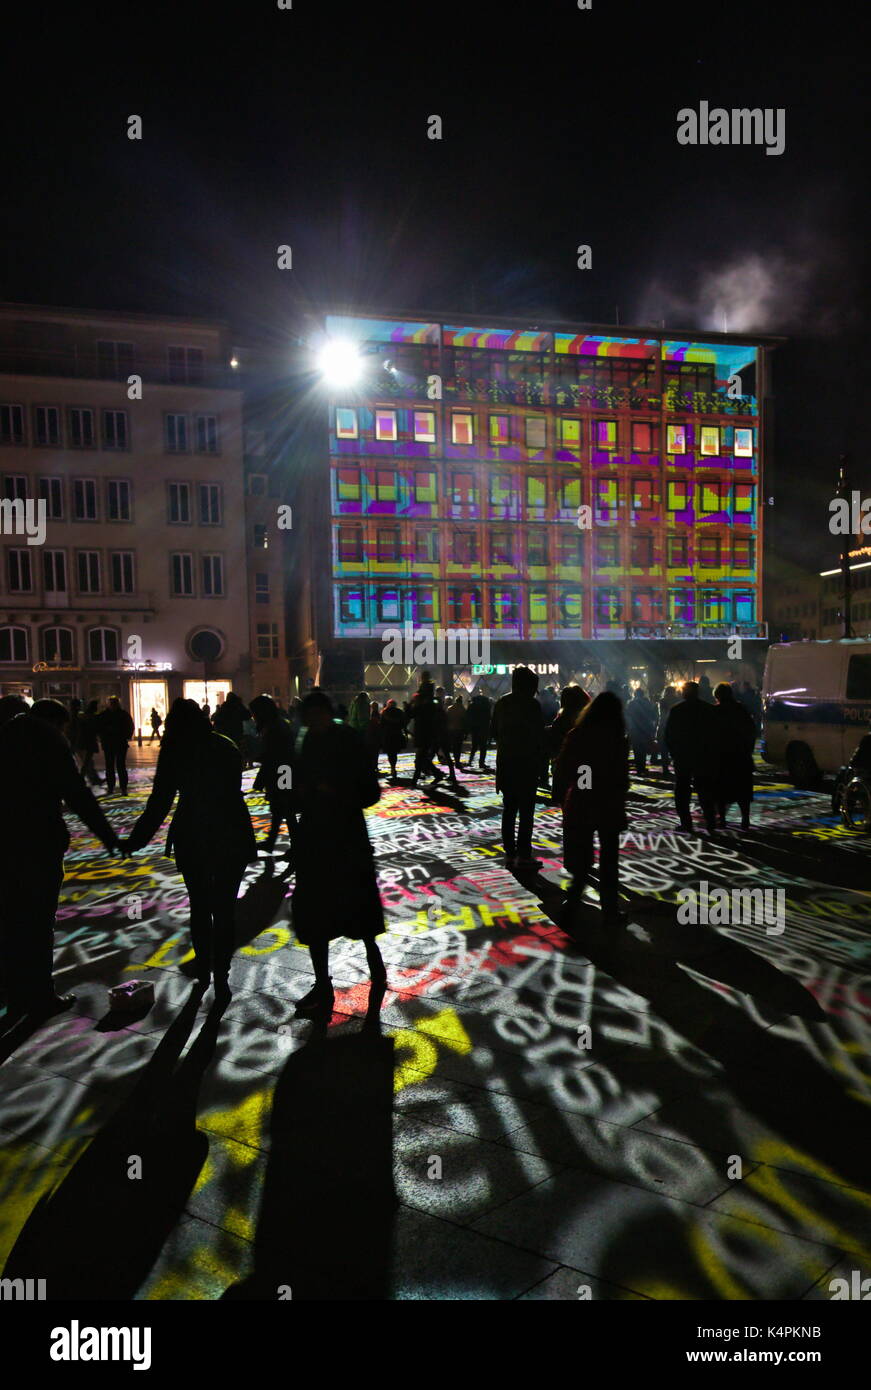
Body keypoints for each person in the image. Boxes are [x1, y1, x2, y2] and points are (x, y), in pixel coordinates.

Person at [123, 700, 256, 997]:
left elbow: (160, 803)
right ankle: (222, 974)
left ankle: (205, 970)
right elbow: (234, 788)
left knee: (199, 905)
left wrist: (136, 840)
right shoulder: (226, 746)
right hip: (232, 830)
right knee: (224, 909)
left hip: (193, 832)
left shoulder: (176, 752)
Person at [0, 697, 121, 1022]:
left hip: (6, 844)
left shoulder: (6, 735)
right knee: (39, 922)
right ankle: (40, 996)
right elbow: (77, 794)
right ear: (56, 722)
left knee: (12, 922)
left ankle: (15, 997)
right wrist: (109, 837)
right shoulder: (48, 741)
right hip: (38, 843)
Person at [289, 690, 387, 1018]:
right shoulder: (304, 742)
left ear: (327, 714)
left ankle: (377, 966)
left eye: (316, 716)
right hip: (316, 840)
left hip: (346, 838)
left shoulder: (348, 740)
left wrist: (336, 791)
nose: (311, 723)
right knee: (316, 915)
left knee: (357, 906)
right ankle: (322, 985)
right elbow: (290, 781)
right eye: (308, 717)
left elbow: (370, 791)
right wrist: (297, 793)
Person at [554, 691, 630, 927]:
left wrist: (561, 795)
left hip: (582, 800)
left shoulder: (577, 735)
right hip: (608, 802)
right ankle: (609, 910)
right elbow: (621, 776)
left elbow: (564, 768)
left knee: (582, 858)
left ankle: (573, 902)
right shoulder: (617, 738)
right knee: (609, 859)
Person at [491, 666, 545, 868]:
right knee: (526, 812)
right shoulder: (532, 705)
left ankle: (510, 851)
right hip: (527, 764)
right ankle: (524, 853)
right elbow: (539, 736)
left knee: (509, 809)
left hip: (506, 763)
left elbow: (493, 732)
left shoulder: (502, 703)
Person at [664, 682, 719, 833]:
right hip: (703, 756)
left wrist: (673, 753)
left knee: (682, 790)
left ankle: (686, 822)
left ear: (684, 693)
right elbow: (716, 734)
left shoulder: (677, 710)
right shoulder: (709, 709)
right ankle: (710, 821)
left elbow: (669, 735)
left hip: (683, 756)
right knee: (705, 789)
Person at [249, 694, 297, 853]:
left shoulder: (274, 728)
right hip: (284, 771)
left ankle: (297, 844)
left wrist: (261, 779)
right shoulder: (277, 724)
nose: (253, 717)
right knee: (281, 808)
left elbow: (272, 756)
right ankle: (277, 841)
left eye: (254, 713)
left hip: (282, 772)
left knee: (284, 807)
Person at [713, 683, 755, 830]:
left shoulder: (715, 712)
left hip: (722, 757)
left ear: (717, 696)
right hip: (741, 756)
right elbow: (751, 731)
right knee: (742, 791)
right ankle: (745, 819)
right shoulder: (741, 710)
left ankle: (722, 819)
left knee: (721, 791)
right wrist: (747, 749)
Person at [545, 685, 590, 794]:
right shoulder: (589, 720)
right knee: (583, 796)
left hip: (563, 766)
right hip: (584, 766)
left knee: (565, 797)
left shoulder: (560, 721)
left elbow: (554, 745)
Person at [96, 695, 134, 795]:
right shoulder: (122, 714)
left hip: (112, 743)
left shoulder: (106, 715)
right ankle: (119, 787)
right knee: (117, 766)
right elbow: (130, 727)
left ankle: (114, 787)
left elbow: (99, 727)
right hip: (117, 743)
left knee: (113, 766)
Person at [406, 680, 442, 786]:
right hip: (427, 734)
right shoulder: (430, 704)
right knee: (423, 758)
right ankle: (436, 774)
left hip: (424, 734)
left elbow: (410, 714)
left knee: (420, 758)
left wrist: (411, 703)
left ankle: (415, 780)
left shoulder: (424, 705)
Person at [624, 686, 658, 776]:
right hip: (645, 730)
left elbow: (627, 716)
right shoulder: (647, 703)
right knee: (643, 749)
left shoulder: (631, 703)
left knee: (637, 749)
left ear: (635, 694)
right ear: (642, 694)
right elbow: (652, 715)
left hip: (634, 730)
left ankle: (639, 768)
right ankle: (642, 766)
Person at [466, 686, 492, 770]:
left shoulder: (472, 705)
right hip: (483, 728)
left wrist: (468, 728)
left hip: (475, 728)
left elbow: (468, 717)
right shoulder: (486, 705)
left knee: (474, 745)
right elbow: (489, 717)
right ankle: (481, 763)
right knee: (483, 747)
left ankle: (470, 761)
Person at [380, 698, 406, 780]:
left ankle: (392, 768)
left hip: (387, 735)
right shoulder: (399, 712)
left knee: (390, 753)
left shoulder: (384, 712)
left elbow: (381, 724)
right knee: (394, 752)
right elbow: (403, 723)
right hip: (396, 735)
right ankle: (393, 768)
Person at [656, 685, 680, 774]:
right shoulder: (678, 701)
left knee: (664, 750)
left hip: (663, 727)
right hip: (674, 728)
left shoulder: (662, 701)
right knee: (675, 749)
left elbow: (661, 717)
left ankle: (665, 768)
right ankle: (676, 767)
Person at [78, 698, 102, 785]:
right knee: (87, 762)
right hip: (88, 742)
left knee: (88, 762)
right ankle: (82, 779)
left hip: (85, 742)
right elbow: (94, 729)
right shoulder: (91, 717)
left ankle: (94, 778)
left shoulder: (85, 715)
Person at [446, 696, 466, 766]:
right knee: (458, 746)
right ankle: (457, 761)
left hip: (451, 729)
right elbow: (464, 720)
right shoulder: (463, 709)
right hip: (459, 730)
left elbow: (447, 719)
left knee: (454, 746)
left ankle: (453, 759)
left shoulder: (450, 708)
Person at [364, 700, 382, 774]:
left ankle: (373, 766)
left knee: (372, 752)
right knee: (375, 752)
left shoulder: (371, 714)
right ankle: (374, 766)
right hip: (375, 735)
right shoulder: (376, 714)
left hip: (372, 735)